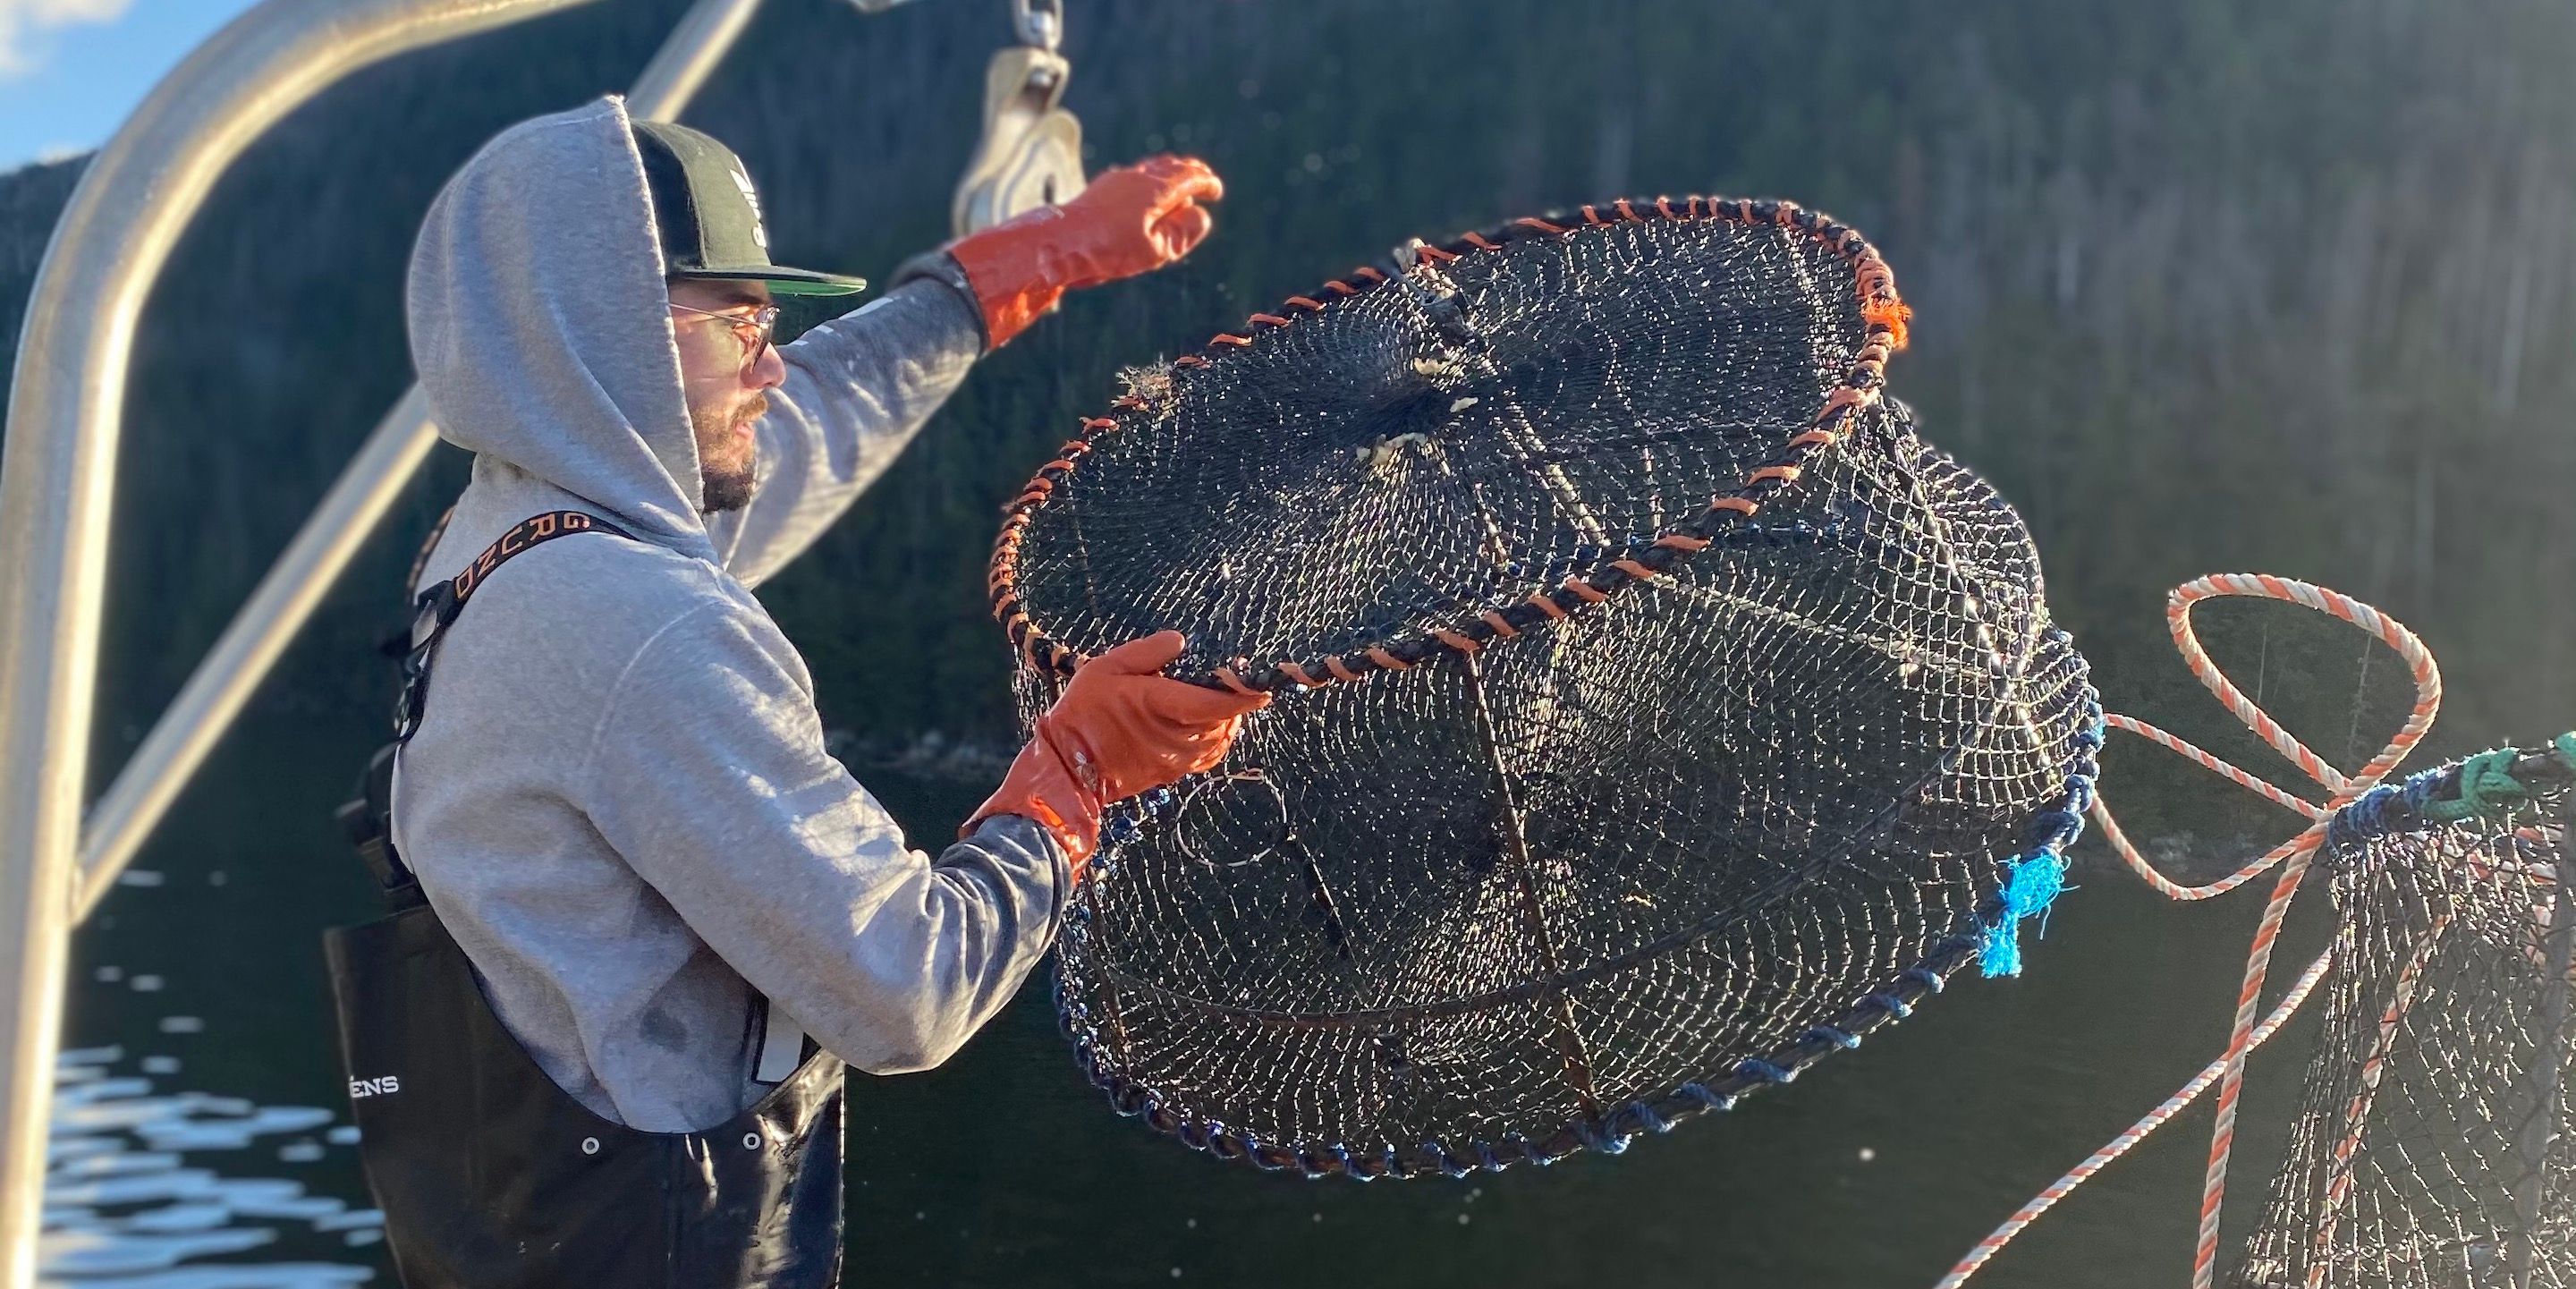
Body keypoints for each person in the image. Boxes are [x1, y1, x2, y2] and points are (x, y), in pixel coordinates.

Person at [323, 95, 1264, 1288]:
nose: (773, 363)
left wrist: (1012, 269)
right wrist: (1077, 778)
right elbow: (907, 986)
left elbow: (803, 421)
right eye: (740, 324)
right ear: (605, 334)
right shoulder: (643, 628)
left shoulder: (493, 535)